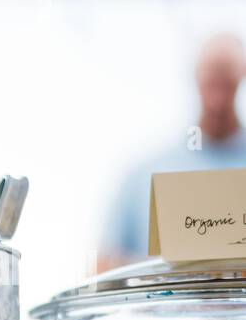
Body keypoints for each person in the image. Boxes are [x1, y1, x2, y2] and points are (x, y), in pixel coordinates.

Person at [101, 33, 246, 270]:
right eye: (212, 79)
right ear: (196, 78)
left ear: (242, 77)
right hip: (162, 305)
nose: (218, 98)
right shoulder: (142, 174)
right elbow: (103, 263)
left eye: (227, 80)